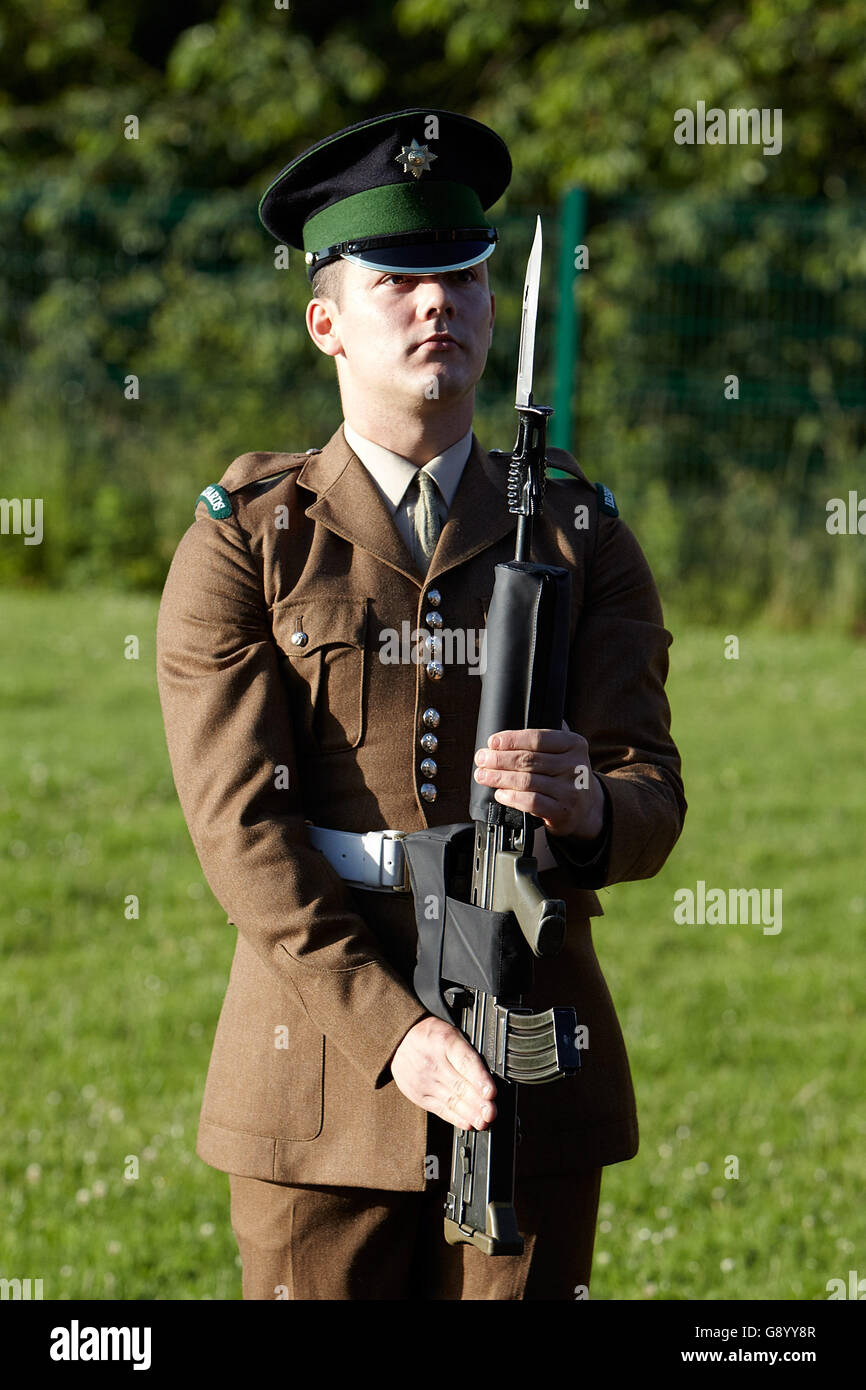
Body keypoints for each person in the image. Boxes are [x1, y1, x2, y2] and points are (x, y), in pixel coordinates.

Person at [156, 107, 686, 1300]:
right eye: (397, 281)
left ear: (494, 307)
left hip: (525, 1035)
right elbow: (245, 837)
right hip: (316, 1070)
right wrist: (397, 1034)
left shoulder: (576, 532)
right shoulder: (248, 544)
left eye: (461, 278)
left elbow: (652, 790)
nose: (435, 304)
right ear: (325, 320)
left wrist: (590, 806)